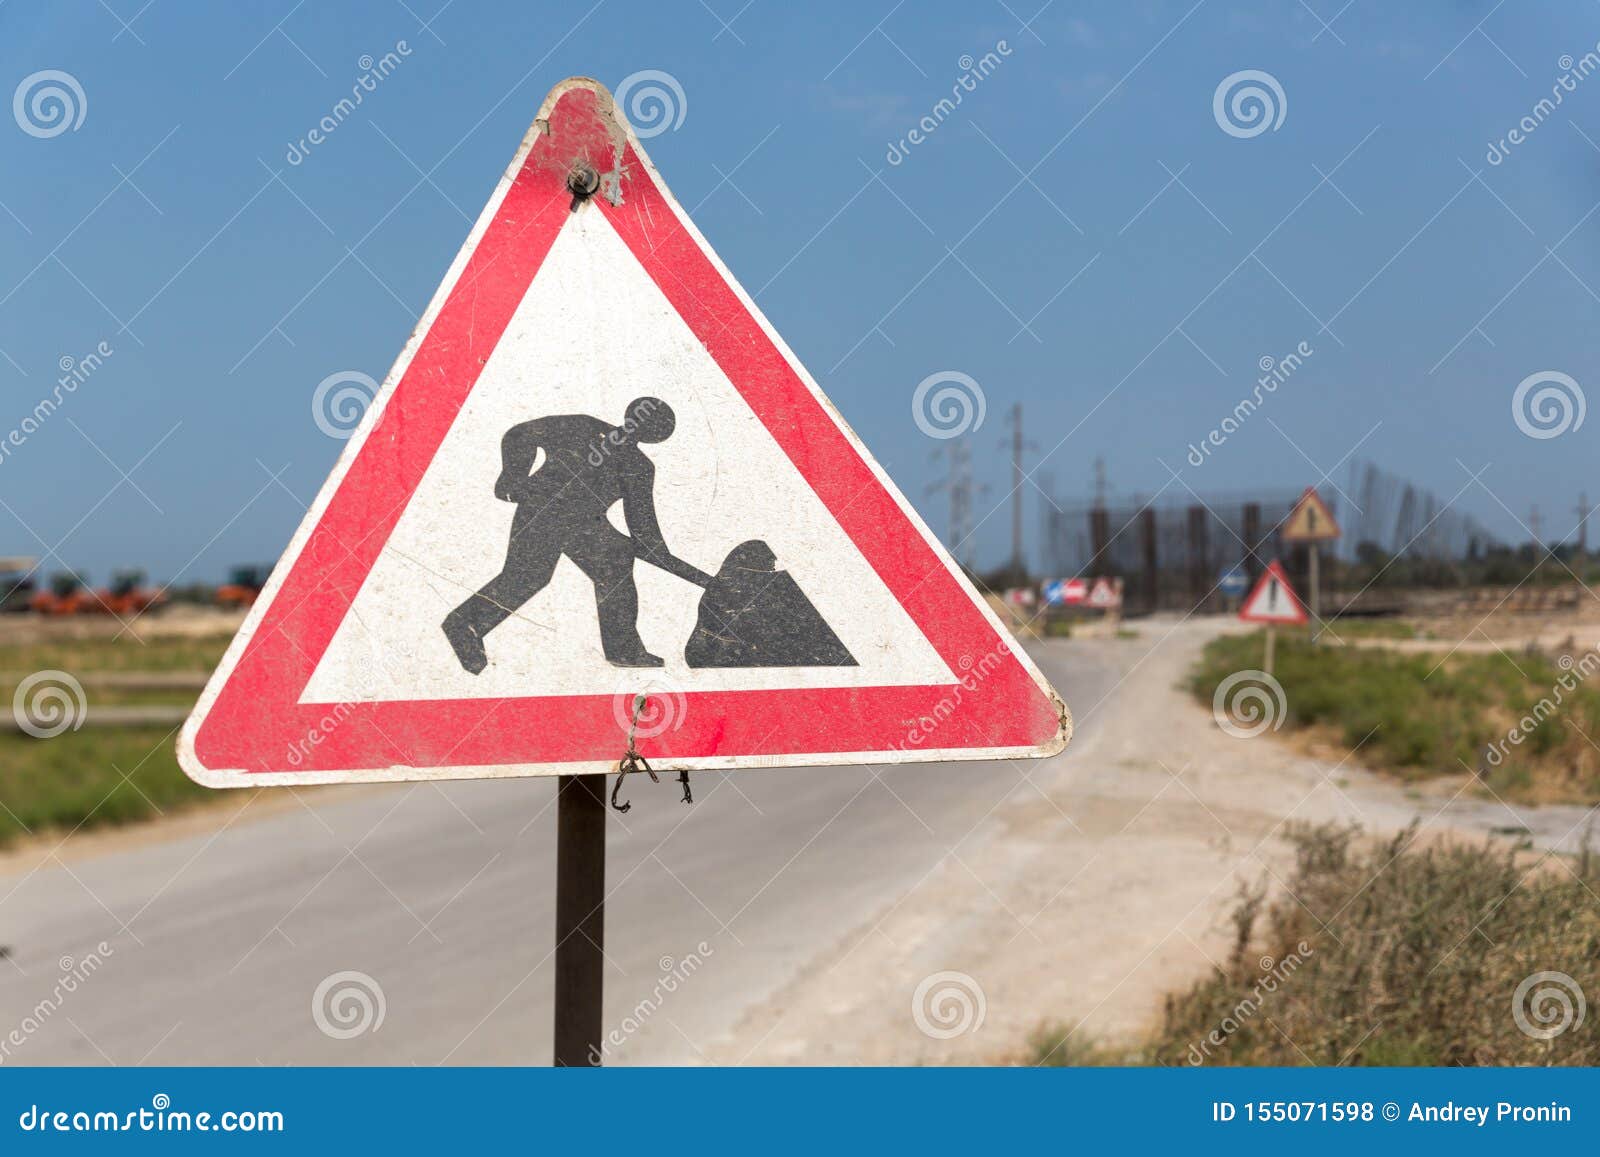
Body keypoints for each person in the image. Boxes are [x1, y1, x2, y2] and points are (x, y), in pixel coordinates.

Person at [442, 397, 706, 672]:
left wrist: (691, 573)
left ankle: (623, 650)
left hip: (580, 522)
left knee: (615, 559)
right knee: (528, 576)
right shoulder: (586, 428)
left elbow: (645, 534)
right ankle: (462, 625)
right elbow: (519, 434)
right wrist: (513, 477)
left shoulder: (636, 464)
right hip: (543, 507)